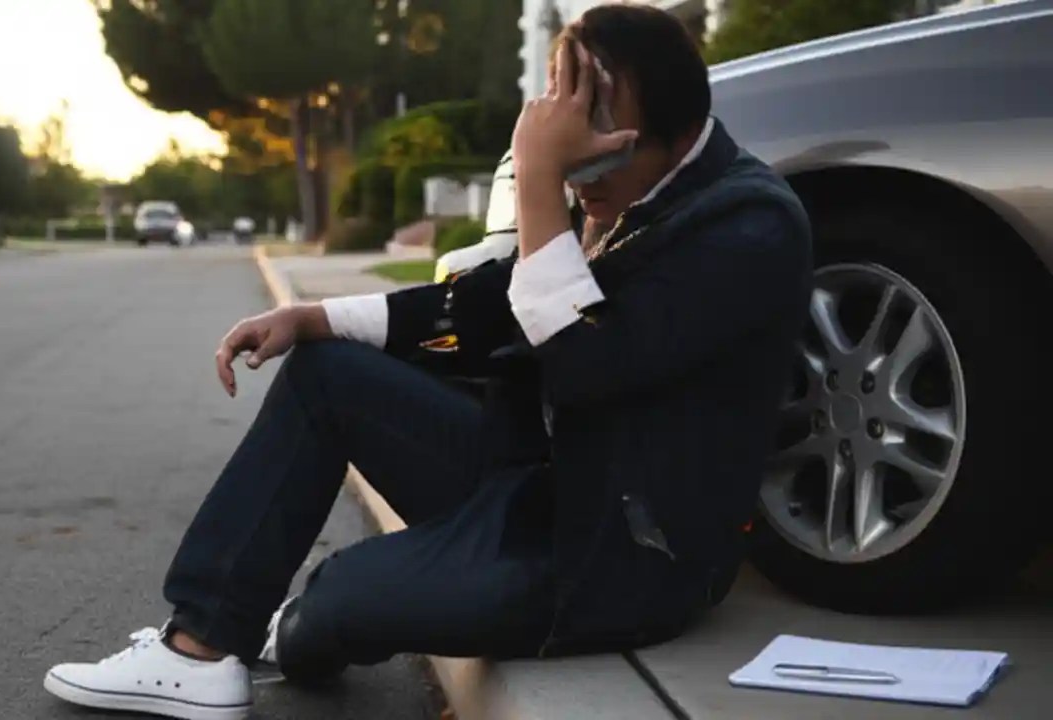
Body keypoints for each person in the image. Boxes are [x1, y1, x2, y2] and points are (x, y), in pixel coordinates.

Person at [43, 5, 813, 719]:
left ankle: (306, 616)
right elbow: (487, 304)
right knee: (325, 370)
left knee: (335, 603)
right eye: (567, 129)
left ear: (681, 130)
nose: (580, 168)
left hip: (613, 562)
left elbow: (583, 366)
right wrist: (312, 317)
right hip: (537, 482)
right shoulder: (635, 189)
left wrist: (539, 180)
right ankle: (200, 648)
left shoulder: (749, 227)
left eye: (599, 141)